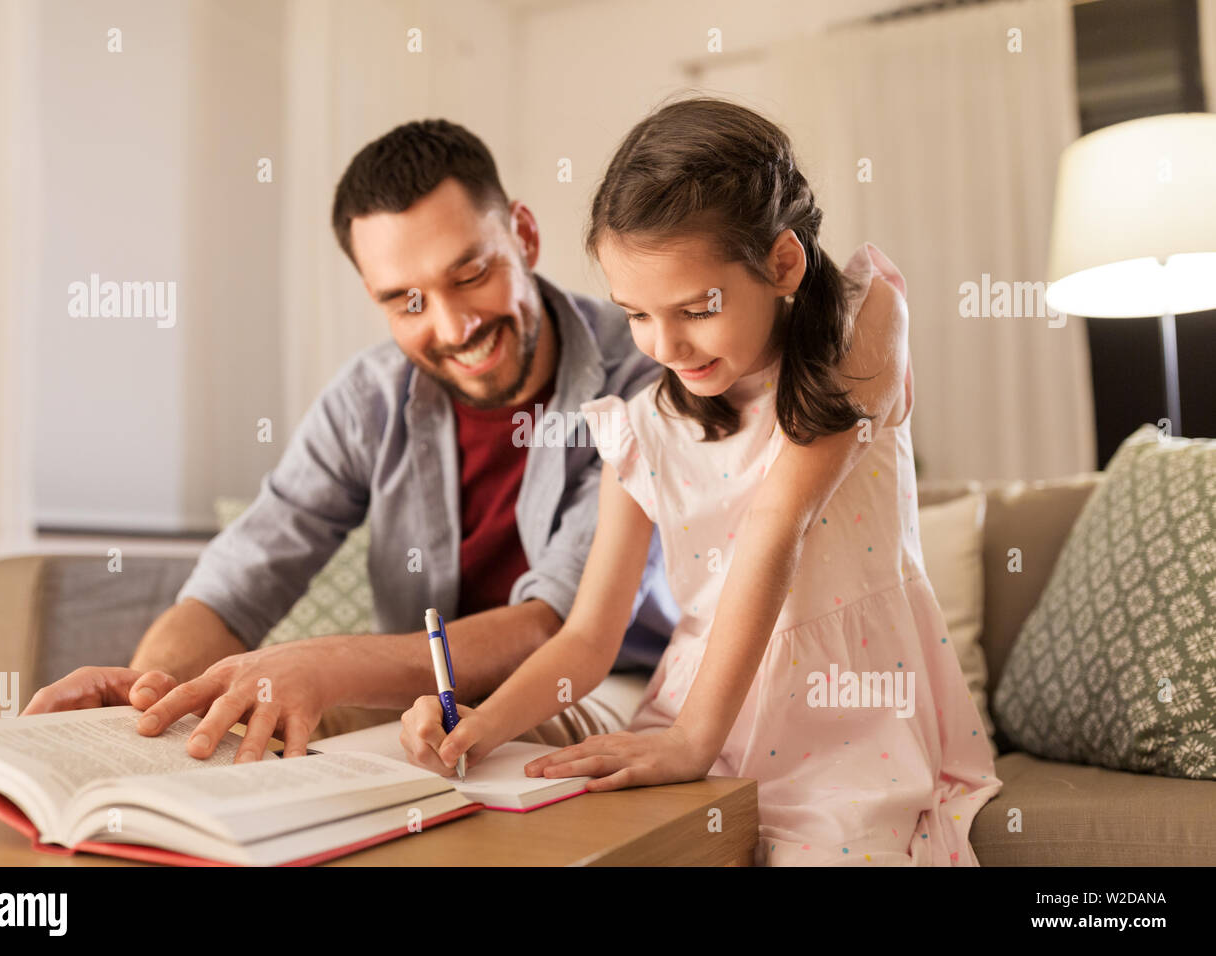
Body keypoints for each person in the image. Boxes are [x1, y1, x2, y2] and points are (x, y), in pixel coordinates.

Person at [399, 97, 1002, 865]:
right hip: (691, 706)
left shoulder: (864, 323)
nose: (665, 344)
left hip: (846, 714)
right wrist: (481, 724)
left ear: (784, 263)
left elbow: (778, 519)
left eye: (695, 309)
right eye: (637, 316)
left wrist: (693, 743)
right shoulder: (643, 426)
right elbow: (589, 636)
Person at [22, 119, 678, 762]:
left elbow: (553, 623)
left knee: (473, 746)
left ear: (524, 237)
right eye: (406, 301)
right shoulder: (368, 397)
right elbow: (244, 575)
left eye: (471, 274)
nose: (453, 327)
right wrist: (149, 693)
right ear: (374, 297)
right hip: (421, 685)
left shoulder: (641, 381)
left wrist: (331, 661)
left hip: (607, 676)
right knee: (240, 738)